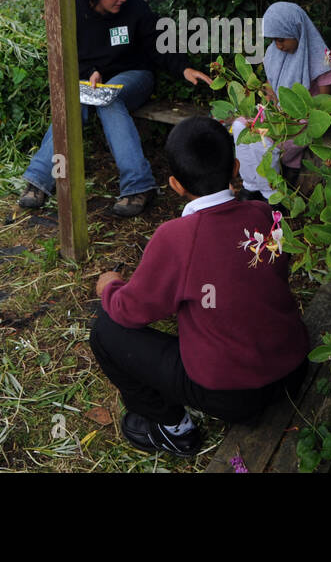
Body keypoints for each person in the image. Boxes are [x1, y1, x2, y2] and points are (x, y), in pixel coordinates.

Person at [90, 116, 310, 457]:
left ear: (176, 185)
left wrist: (110, 286)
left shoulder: (175, 238)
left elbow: (130, 311)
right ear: (236, 168)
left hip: (233, 393)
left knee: (105, 330)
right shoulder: (265, 215)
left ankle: (173, 428)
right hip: (293, 367)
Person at [18, 0, 213, 217]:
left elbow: (158, 43)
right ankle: (39, 181)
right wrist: (89, 72)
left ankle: (138, 186)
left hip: (134, 75)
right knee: (74, 102)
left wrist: (183, 68)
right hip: (93, 80)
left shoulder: (135, 7)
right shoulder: (74, 10)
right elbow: (66, 52)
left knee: (110, 98)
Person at [232, 1, 331, 198]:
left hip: (300, 123)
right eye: (274, 40)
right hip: (276, 113)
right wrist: (267, 93)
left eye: (282, 39)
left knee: (262, 139)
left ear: (296, 30)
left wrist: (288, 115)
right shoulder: (274, 53)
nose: (278, 45)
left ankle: (270, 194)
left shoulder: (322, 60)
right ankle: (250, 185)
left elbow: (325, 107)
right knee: (240, 127)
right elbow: (271, 85)